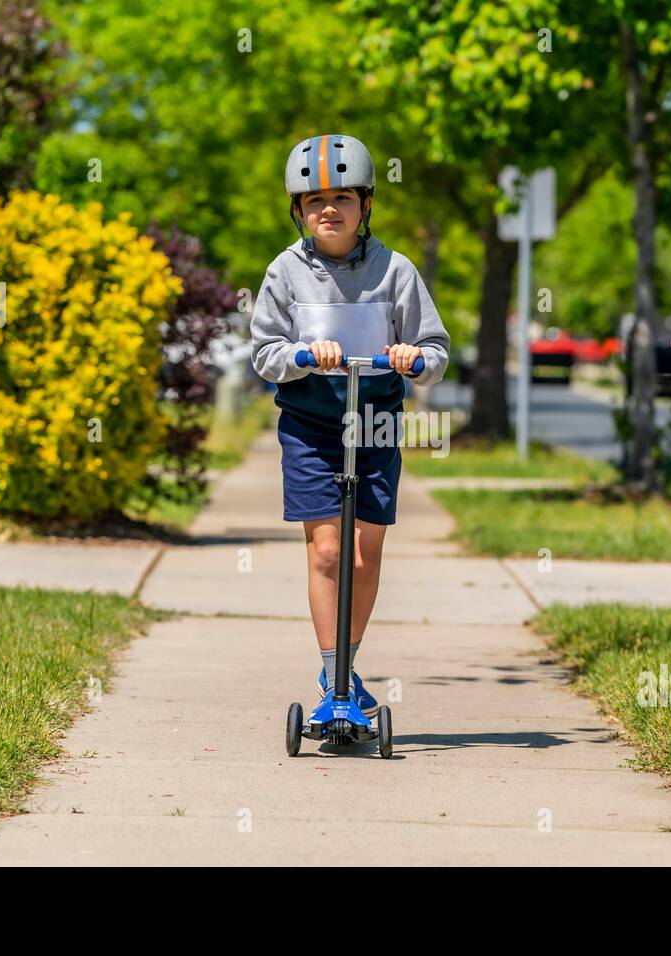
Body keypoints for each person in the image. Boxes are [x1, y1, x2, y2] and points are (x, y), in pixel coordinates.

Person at [251, 133, 450, 715]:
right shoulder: (284, 273)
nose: (328, 210)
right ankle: (335, 682)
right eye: (314, 202)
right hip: (311, 427)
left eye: (342, 197)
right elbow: (265, 353)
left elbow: (435, 352)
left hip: (376, 426)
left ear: (366, 205)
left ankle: (344, 666)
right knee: (325, 552)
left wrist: (415, 358)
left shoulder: (396, 272)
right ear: (298, 211)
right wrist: (304, 356)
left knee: (364, 551)